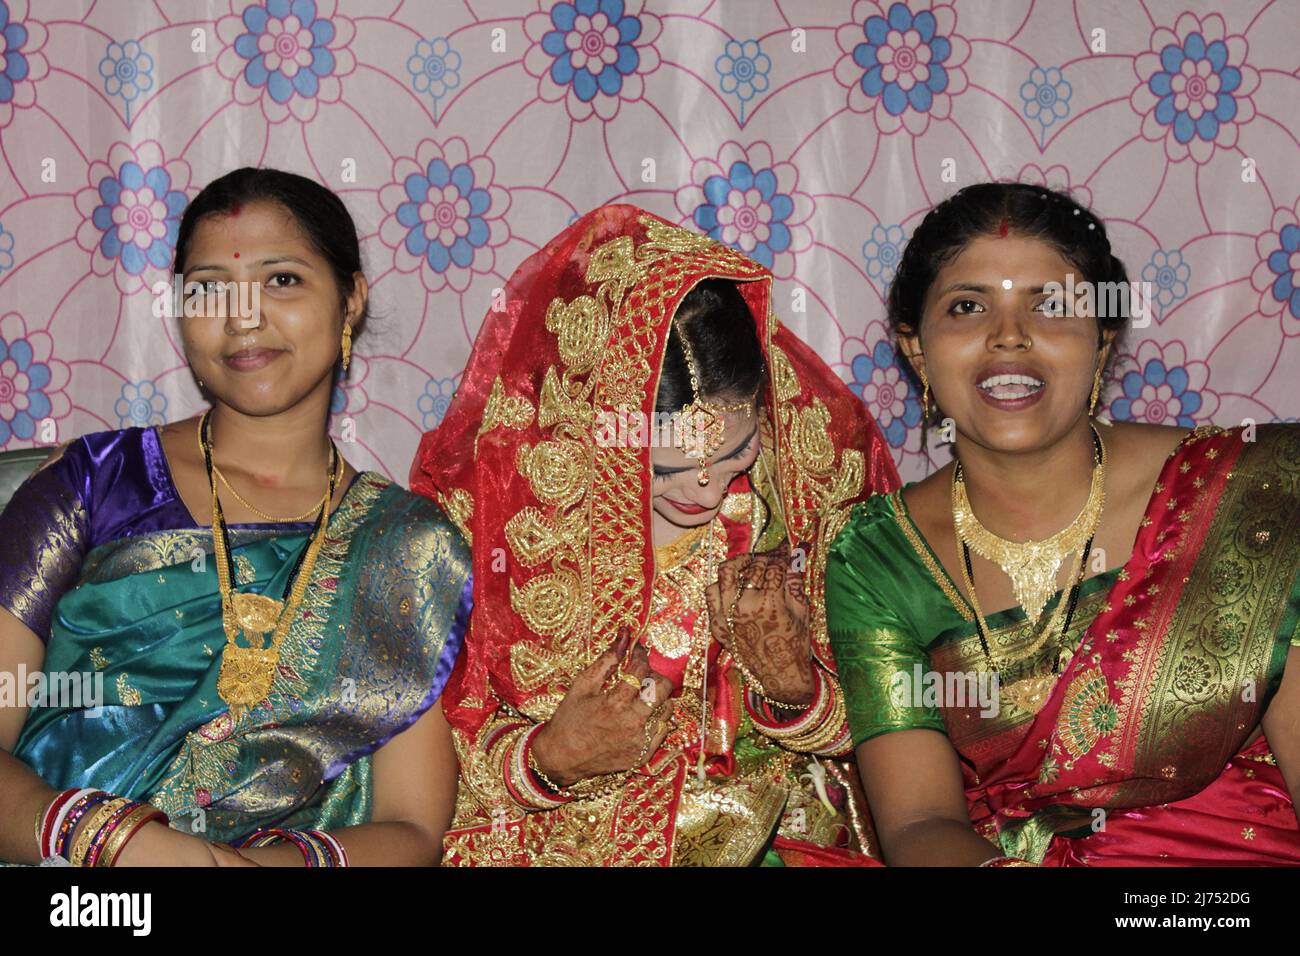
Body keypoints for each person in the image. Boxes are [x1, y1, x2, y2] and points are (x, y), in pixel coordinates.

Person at [0, 168, 470, 867]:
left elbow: (410, 827)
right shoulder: (94, 487)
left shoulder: (405, 545)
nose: (243, 316)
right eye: (210, 288)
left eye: (282, 280)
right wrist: (112, 845)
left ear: (351, 300)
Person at [826, 182, 1300, 866]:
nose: (1009, 336)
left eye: (1051, 306)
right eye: (967, 307)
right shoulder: (878, 558)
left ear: (1103, 341)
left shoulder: (1244, 493)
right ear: (918, 349)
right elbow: (920, 823)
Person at [411, 204, 899, 865]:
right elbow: (437, 744)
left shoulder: (806, 493)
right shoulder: (491, 519)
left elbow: (897, 727)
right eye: (665, 469)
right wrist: (551, 758)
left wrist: (796, 693)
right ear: (594, 433)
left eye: (736, 455)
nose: (705, 492)